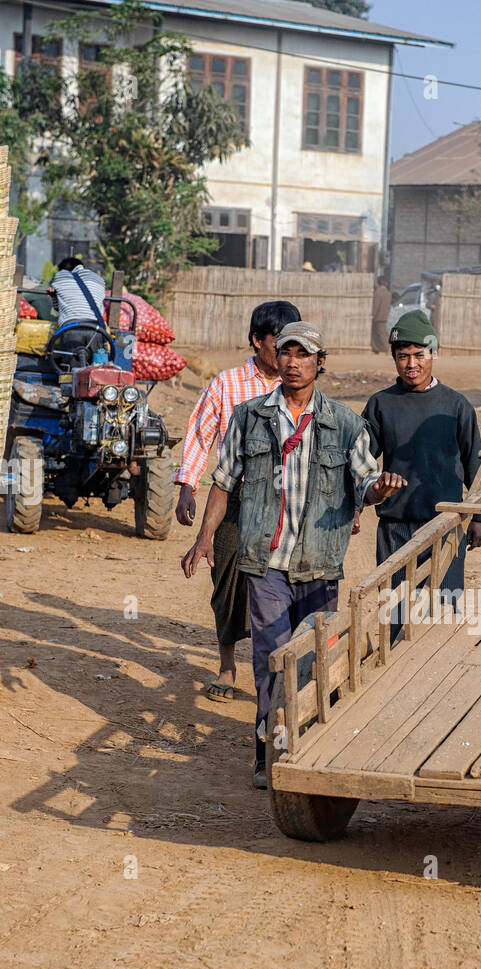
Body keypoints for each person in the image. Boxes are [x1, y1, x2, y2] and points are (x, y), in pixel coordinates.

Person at [181, 322, 405, 788]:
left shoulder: (345, 423)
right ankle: (268, 753)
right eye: (286, 352)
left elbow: (364, 482)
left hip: (319, 564)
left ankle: (304, 746)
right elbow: (222, 483)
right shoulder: (248, 416)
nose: (293, 361)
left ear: (320, 363)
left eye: (304, 354)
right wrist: (205, 537)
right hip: (264, 561)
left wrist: (379, 489)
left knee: (313, 656)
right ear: (275, 358)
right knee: (270, 655)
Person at [174, 300, 301, 702]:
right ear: (255, 341)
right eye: (278, 343)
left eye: (293, 345)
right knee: (225, 576)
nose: (286, 355)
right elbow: (199, 434)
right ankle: (227, 665)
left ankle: (282, 668)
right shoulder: (226, 385)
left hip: (285, 498)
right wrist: (186, 485)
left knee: (287, 579)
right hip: (231, 497)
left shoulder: (298, 387)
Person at [362, 309, 481, 622]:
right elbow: (360, 460)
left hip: (446, 525)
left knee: (444, 613)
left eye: (420, 354)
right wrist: (355, 502)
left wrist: (480, 516)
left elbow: (476, 464)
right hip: (396, 525)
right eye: (403, 356)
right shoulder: (381, 404)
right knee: (396, 613)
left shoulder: (456, 406)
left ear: (434, 353)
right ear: (393, 357)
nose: (411, 364)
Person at [50, 256, 107, 329]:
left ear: (63, 270)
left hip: (70, 327)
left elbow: (59, 308)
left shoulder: (60, 277)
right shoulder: (99, 280)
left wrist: (54, 296)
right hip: (96, 328)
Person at [371, 275, 392, 353]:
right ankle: (380, 348)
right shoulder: (388, 293)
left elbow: (375, 306)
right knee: (382, 333)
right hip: (384, 316)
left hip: (378, 316)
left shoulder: (378, 293)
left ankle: (387, 349)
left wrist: (373, 315)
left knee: (381, 334)